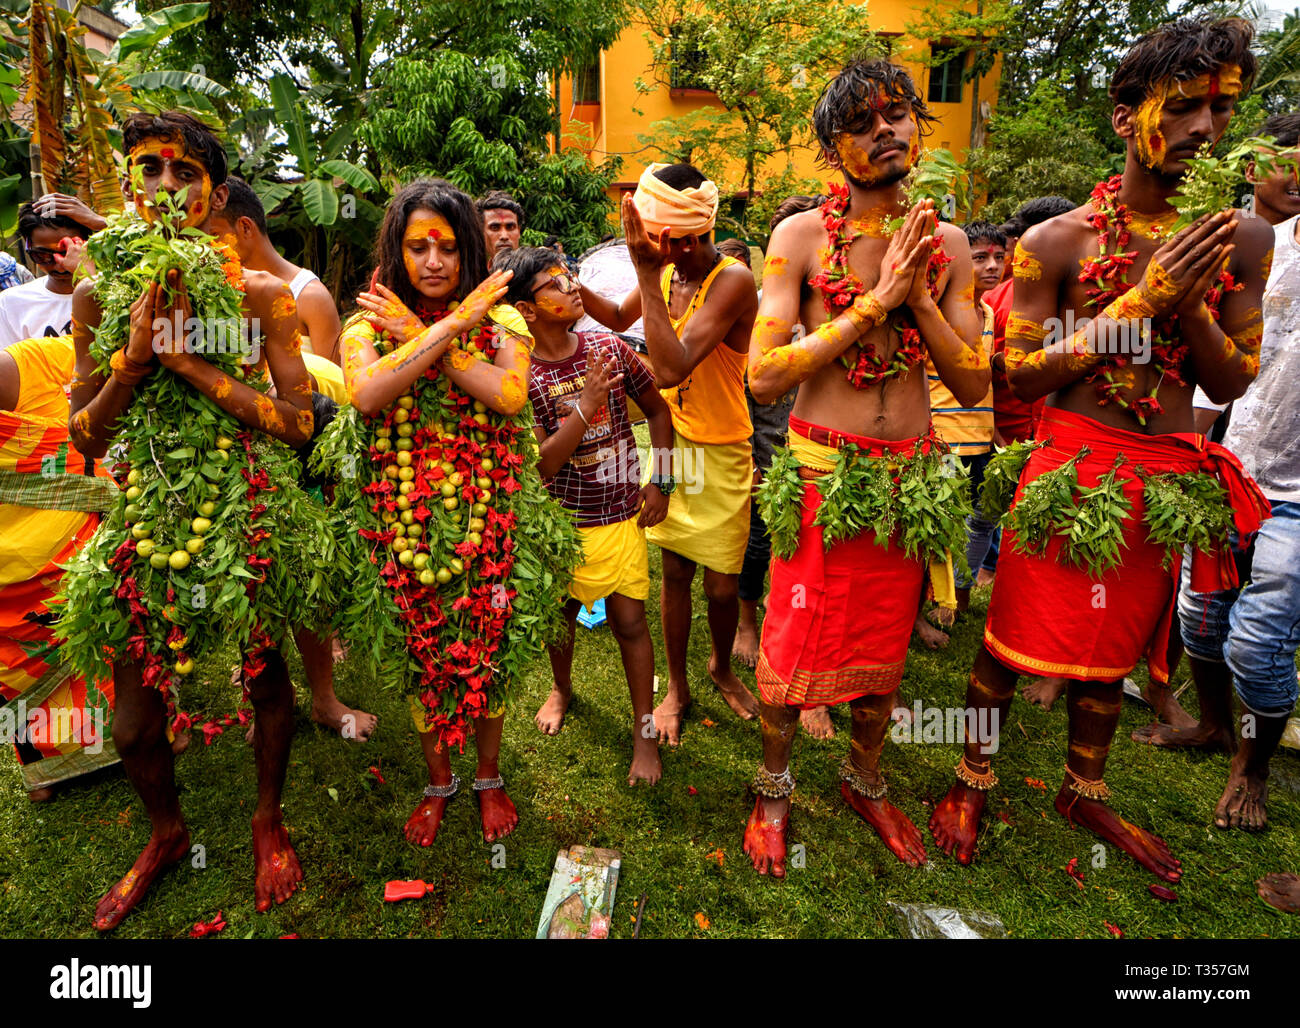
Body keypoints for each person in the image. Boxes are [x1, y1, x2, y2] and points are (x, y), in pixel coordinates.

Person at [929, 17, 1272, 884]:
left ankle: (1084, 785)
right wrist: (1137, 302)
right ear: (1126, 116)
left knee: (1110, 652)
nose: (1206, 130)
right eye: (1186, 106)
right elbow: (1023, 376)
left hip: (1162, 477)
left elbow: (1229, 383)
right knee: (1008, 644)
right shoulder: (1057, 245)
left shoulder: (1245, 240)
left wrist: (1186, 302)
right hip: (1071, 466)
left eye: (1221, 111)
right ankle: (971, 774)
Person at [62, 111, 321, 929]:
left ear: (212, 189)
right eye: (149, 170)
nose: (167, 188)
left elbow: (300, 422)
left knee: (264, 673)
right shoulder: (99, 292)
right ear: (129, 184)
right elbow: (83, 435)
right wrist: (134, 366)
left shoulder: (263, 295)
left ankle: (267, 819)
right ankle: (167, 833)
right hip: (146, 518)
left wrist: (195, 368)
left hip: (241, 514)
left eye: (184, 173)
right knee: (134, 722)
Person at [742, 58, 988, 876]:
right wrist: (874, 304)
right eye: (860, 123)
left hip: (905, 481)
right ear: (832, 148)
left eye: (897, 114)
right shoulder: (801, 238)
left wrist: (918, 296)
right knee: (793, 641)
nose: (885, 130)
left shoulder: (947, 244)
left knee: (886, 645)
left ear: (917, 123)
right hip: (821, 474)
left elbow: (973, 379)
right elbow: (766, 375)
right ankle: (774, 788)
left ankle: (863, 775)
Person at [336, 179, 577, 848]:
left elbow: (505, 395)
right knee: (423, 654)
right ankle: (439, 781)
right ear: (397, 250)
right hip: (403, 522)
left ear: (468, 250)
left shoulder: (507, 322)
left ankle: (489, 776)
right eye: (418, 247)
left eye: (446, 247)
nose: (434, 261)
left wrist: (431, 335)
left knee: (487, 651)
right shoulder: (366, 324)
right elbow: (366, 393)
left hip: (488, 523)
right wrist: (448, 327)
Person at [1132, 113, 1299, 842]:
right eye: (1286, 159)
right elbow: (1212, 362)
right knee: (1202, 616)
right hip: (1230, 467)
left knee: (1259, 641)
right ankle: (1210, 725)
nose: (1297, 175)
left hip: (1296, 490)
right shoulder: (1242, 247)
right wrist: (1192, 452)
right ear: (1253, 164)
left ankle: (1253, 769)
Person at [578, 163, 761, 746]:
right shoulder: (664, 273)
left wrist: (646, 271)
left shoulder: (732, 281)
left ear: (707, 227)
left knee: (723, 585)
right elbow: (611, 317)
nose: (678, 251)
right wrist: (555, 278)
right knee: (676, 572)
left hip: (724, 450)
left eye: (688, 240)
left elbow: (673, 364)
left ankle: (722, 667)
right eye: (665, 240)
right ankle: (677, 687)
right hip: (670, 444)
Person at [205, 176, 376, 742]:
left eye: (211, 234)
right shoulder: (203, 287)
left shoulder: (305, 295)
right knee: (245, 575)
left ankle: (323, 698)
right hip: (230, 450)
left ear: (243, 229)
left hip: (297, 448)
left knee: (307, 575)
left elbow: (322, 388)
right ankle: (268, 690)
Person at [497, 245, 674, 784]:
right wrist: (586, 405)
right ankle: (562, 688)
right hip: (562, 526)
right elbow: (542, 466)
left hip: (621, 517)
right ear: (527, 309)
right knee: (561, 622)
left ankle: (645, 736)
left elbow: (660, 411)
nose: (572, 286)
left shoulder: (608, 348)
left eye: (569, 276)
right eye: (554, 283)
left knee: (630, 624)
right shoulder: (519, 376)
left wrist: (662, 480)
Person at [0, 333, 119, 801]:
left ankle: (141, 737)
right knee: (19, 664)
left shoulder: (51, 360)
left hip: (69, 552)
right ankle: (46, 770)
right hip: (11, 582)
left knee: (105, 639)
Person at [917, 220, 1002, 643]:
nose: (992, 266)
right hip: (943, 439)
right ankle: (924, 607)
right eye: (980, 258)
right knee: (934, 526)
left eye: (999, 258)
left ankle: (959, 597)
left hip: (982, 438)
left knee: (981, 521)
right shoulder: (936, 310)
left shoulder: (986, 314)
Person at [208, 176, 342, 363]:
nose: (207, 248)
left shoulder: (310, 297)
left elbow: (336, 384)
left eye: (213, 236)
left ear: (245, 227)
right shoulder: (213, 294)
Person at [0, 201, 98, 349]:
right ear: (28, 245)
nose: (60, 265)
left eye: (68, 252)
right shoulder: (11, 303)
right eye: (42, 256)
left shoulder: (114, 291)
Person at [477, 191, 524, 256]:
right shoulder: (468, 265)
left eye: (510, 227)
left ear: (519, 231)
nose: (504, 236)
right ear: (481, 233)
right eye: (495, 228)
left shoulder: (537, 265)